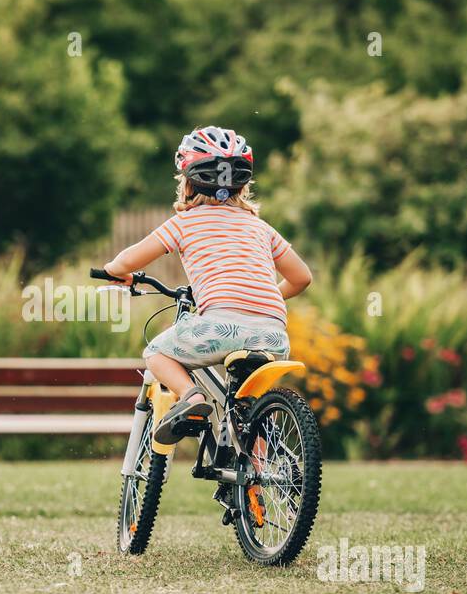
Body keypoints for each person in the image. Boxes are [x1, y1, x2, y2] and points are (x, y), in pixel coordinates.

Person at [101, 126, 313, 443]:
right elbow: (302, 277)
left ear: (187, 181)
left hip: (218, 328)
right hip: (273, 334)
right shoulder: (260, 227)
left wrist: (113, 269)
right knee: (245, 408)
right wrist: (265, 300)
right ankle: (252, 480)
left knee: (155, 354)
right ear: (243, 185)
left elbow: (130, 260)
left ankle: (192, 398)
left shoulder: (185, 222)